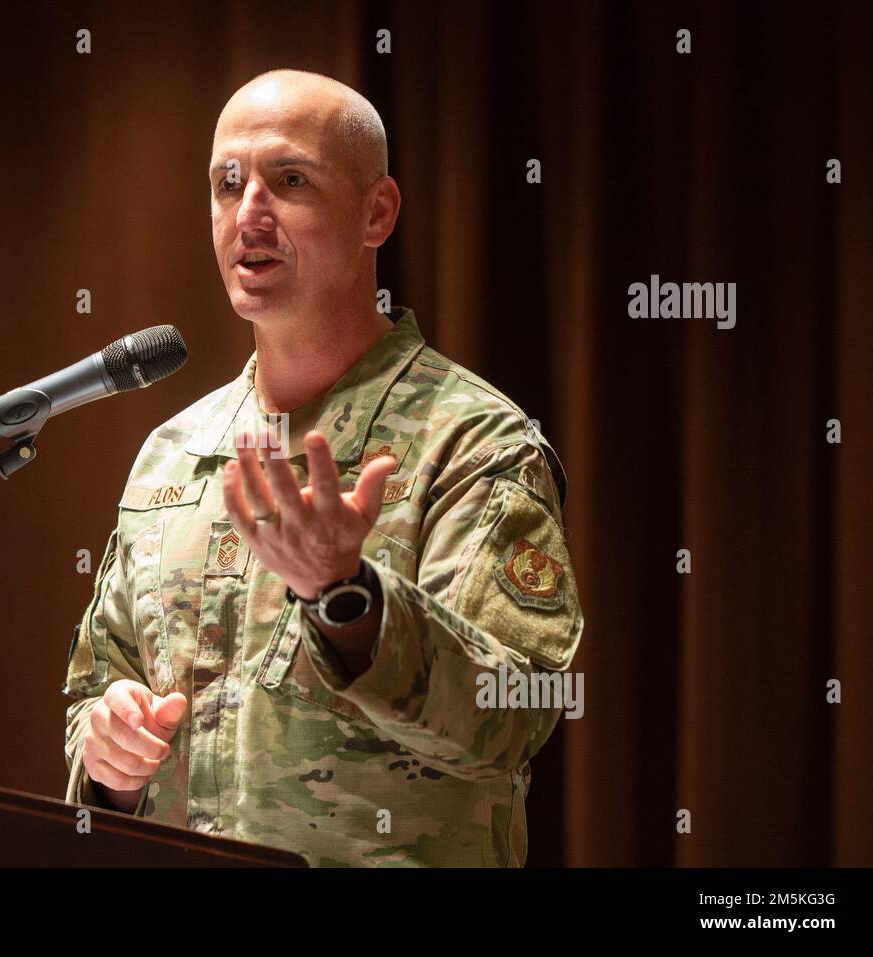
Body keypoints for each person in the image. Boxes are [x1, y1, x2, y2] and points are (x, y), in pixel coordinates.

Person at [61, 69, 583, 866]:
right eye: (227, 183)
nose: (249, 212)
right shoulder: (174, 451)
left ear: (377, 212)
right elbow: (95, 694)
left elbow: (513, 710)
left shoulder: (474, 441)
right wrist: (106, 760)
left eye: (290, 179)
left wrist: (351, 600)